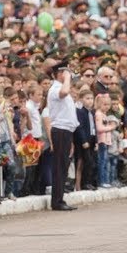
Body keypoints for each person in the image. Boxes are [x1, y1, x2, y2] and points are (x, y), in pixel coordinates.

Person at [46, 65, 79, 211]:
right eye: (65, 72)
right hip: (59, 130)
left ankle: (59, 198)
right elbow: (65, 91)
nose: (69, 75)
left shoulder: (60, 88)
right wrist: (67, 78)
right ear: (58, 74)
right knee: (59, 166)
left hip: (66, 131)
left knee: (63, 165)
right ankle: (57, 201)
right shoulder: (55, 89)